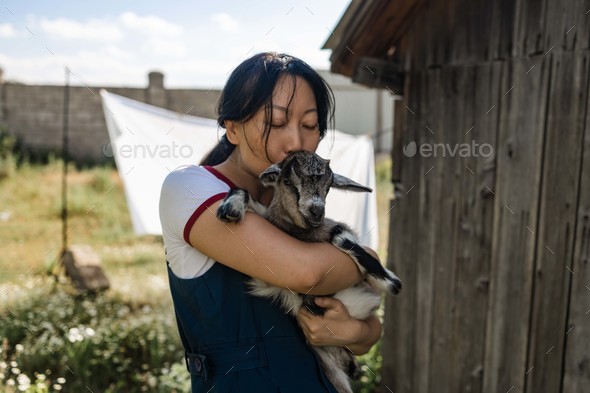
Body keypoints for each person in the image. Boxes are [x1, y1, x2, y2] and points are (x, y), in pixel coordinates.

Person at [159, 52, 382, 392]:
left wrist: (357, 333)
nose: (295, 142)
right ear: (232, 128)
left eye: (309, 126)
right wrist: (366, 258)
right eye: (276, 123)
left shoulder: (304, 205)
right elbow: (306, 272)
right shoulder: (189, 189)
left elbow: (366, 326)